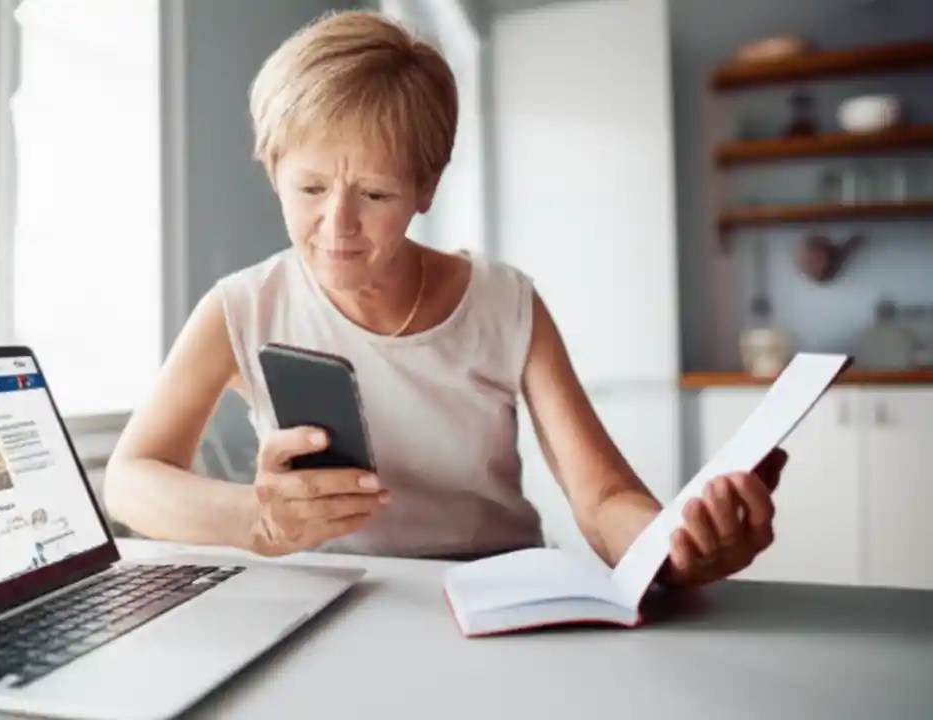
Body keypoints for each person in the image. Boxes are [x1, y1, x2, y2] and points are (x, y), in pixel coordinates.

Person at [105, 10, 786, 587]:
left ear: (426, 188)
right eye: (310, 189)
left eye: (375, 194)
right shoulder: (242, 307)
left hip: (494, 590)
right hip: (331, 599)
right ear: (273, 169)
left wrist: (675, 547)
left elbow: (604, 498)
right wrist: (259, 520)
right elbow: (130, 481)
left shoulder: (505, 303)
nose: (338, 225)